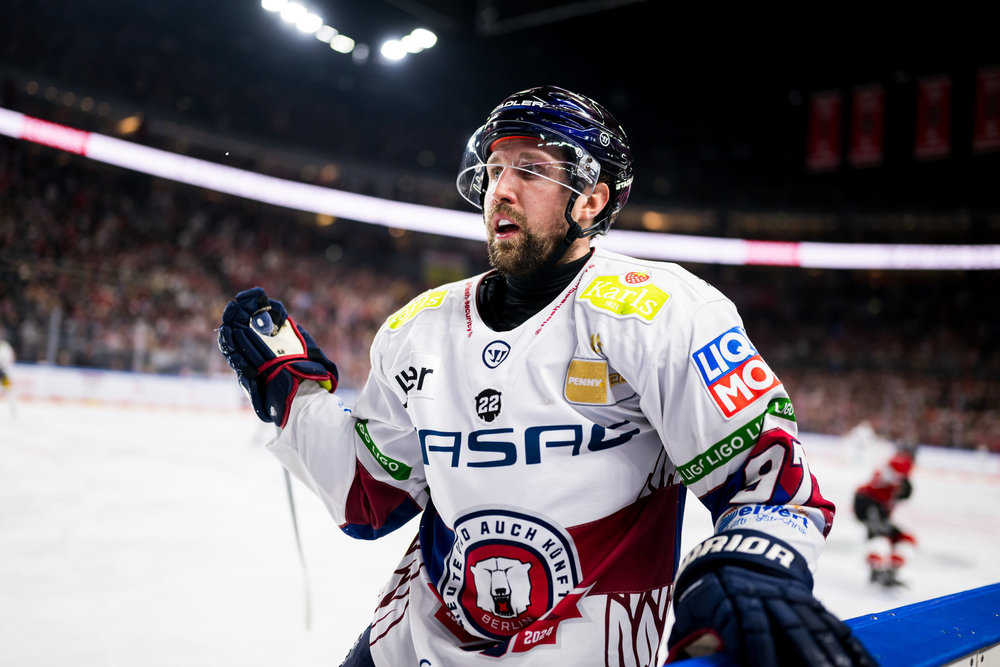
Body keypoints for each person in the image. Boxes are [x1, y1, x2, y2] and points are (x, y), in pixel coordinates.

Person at [218, 85, 875, 666]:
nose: (499, 187)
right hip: (406, 647)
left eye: (529, 170)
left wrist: (746, 564)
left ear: (591, 201)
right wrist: (292, 391)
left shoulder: (662, 311)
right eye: (495, 167)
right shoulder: (417, 327)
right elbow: (370, 499)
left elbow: (774, 489)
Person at [853, 444, 917, 587]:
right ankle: (877, 569)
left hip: (873, 505)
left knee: (905, 539)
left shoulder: (891, 490)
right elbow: (896, 468)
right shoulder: (900, 463)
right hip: (868, 501)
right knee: (879, 535)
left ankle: (888, 569)